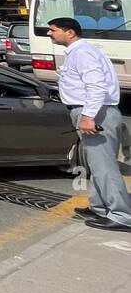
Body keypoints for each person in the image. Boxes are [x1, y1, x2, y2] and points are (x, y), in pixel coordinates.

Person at [49, 18, 130, 231]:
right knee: (95, 165)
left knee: (104, 167)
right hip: (90, 111)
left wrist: (88, 116)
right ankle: (100, 207)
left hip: (95, 112)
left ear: (70, 33)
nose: (49, 34)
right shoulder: (79, 52)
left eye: (53, 30)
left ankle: (122, 215)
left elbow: (96, 86)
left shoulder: (82, 53)